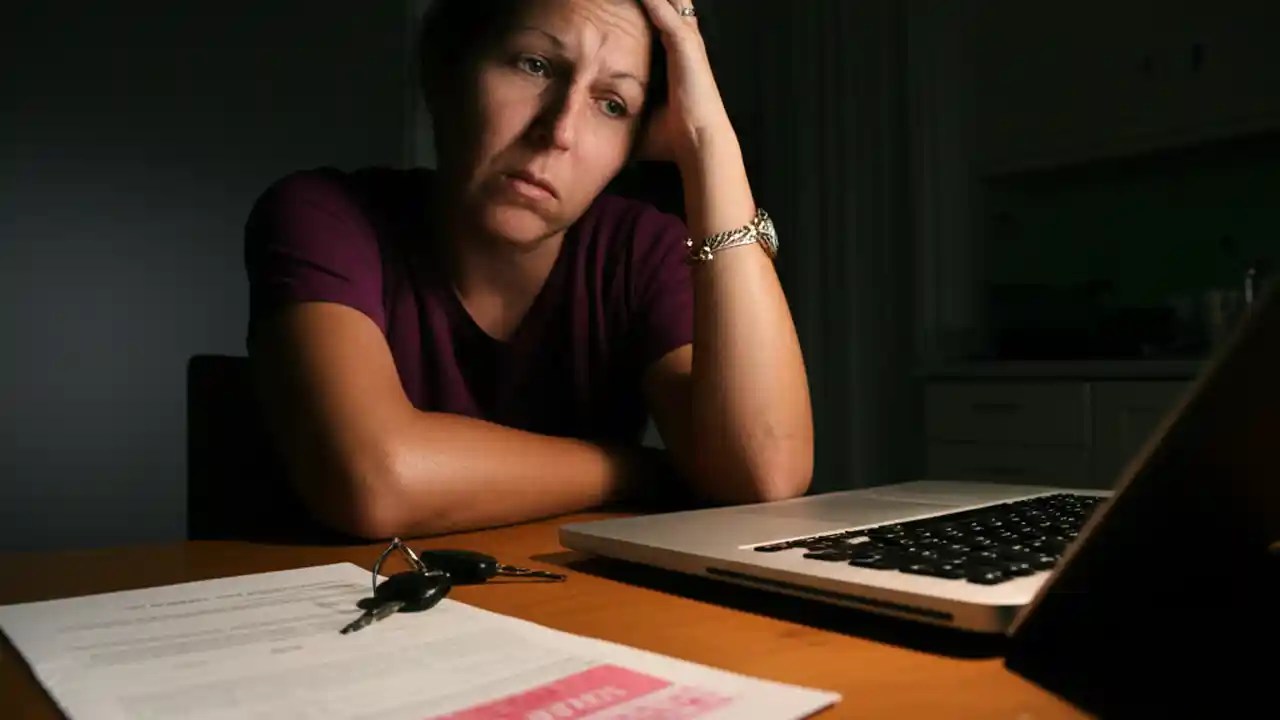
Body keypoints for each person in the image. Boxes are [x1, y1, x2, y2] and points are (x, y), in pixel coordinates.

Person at [243, 0, 813, 540]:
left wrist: (708, 140)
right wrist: (636, 469)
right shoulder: (324, 215)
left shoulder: (639, 251)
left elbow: (766, 472)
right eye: (534, 65)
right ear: (446, 69)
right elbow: (373, 479)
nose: (559, 131)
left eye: (612, 105)